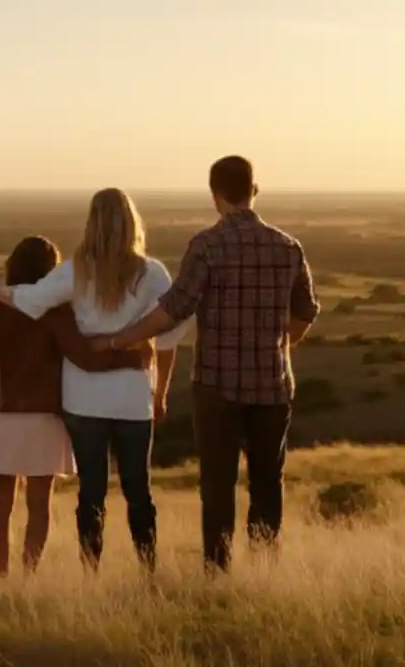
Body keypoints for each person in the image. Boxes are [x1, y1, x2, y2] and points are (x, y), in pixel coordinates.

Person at [95, 156, 320, 573]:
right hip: (272, 385)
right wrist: (279, 342)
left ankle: (218, 573)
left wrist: (118, 339)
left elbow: (172, 311)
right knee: (268, 484)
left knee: (217, 487)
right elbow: (305, 312)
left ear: (215, 194)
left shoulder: (207, 246)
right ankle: (265, 570)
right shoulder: (288, 247)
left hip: (217, 386)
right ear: (255, 190)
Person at [0, 189, 187, 572]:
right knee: (138, 489)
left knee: (91, 492)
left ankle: (90, 572)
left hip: (82, 398)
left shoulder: (75, 271)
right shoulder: (152, 273)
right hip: (133, 397)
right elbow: (168, 338)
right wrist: (160, 392)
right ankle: (148, 570)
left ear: (91, 223)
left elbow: (32, 299)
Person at [0, 235, 154, 576]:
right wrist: (132, 359)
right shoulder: (55, 310)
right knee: (39, 504)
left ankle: (0, 575)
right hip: (44, 417)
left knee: (1, 504)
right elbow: (83, 357)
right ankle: (28, 575)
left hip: (1, 415)